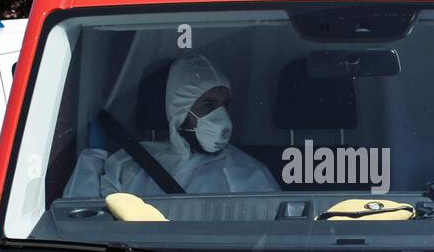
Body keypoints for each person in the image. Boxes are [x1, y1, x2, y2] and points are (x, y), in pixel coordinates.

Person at [68, 53, 278, 197]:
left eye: (225, 105)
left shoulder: (247, 174)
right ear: (179, 110)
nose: (221, 118)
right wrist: (93, 159)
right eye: (208, 105)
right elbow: (81, 220)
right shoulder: (129, 165)